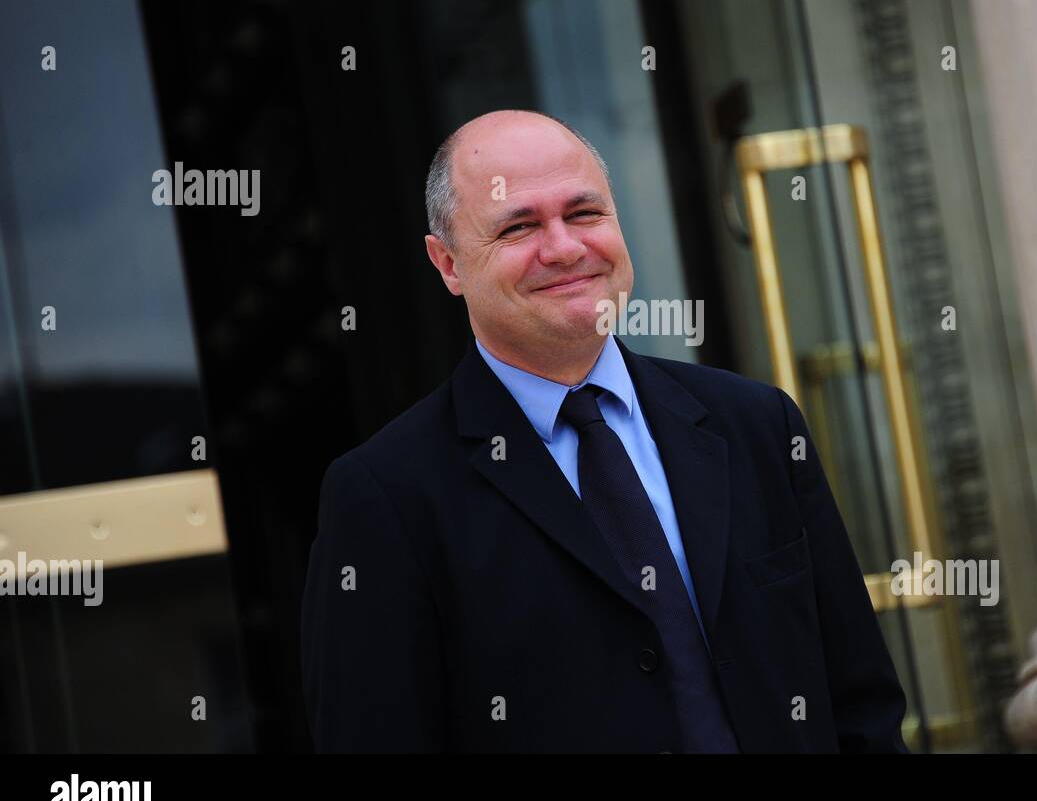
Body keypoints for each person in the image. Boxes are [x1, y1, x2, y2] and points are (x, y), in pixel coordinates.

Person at [300, 109, 909, 753]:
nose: (564, 247)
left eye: (585, 213)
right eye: (519, 226)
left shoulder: (755, 424)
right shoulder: (384, 495)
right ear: (448, 264)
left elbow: (861, 705)